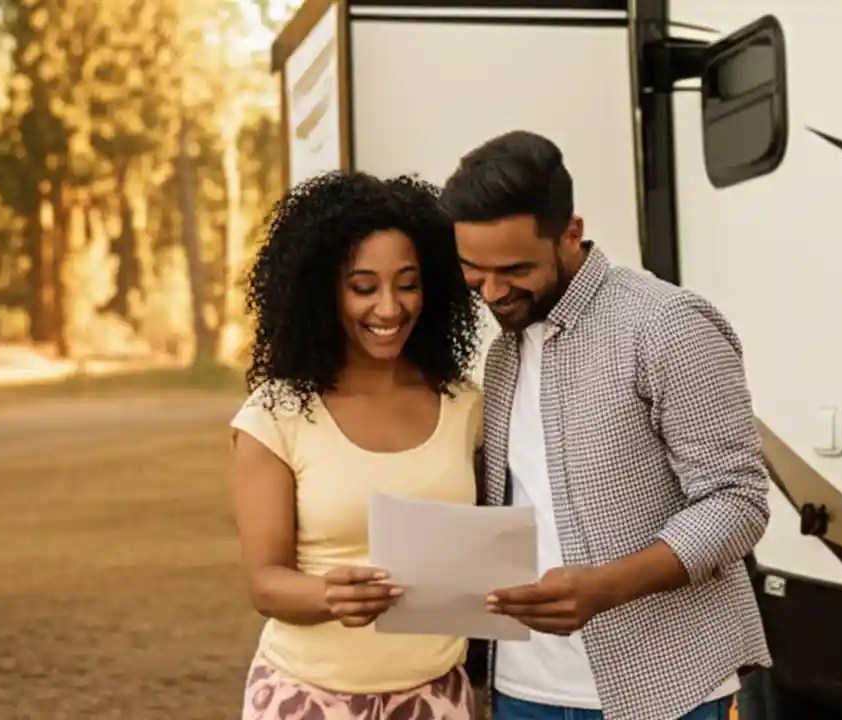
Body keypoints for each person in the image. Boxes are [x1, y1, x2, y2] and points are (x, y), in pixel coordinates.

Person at [440, 130, 773, 720]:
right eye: (474, 272)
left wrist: (603, 588)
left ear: (571, 233)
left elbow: (737, 501)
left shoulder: (665, 324)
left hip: (666, 690)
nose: (492, 293)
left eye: (514, 269)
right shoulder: (503, 354)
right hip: (523, 690)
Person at [229, 171, 484, 720]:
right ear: (323, 292)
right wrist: (328, 595)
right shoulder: (275, 416)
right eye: (363, 287)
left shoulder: (465, 406)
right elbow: (265, 584)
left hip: (437, 697)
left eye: (407, 284)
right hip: (308, 698)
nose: (389, 308)